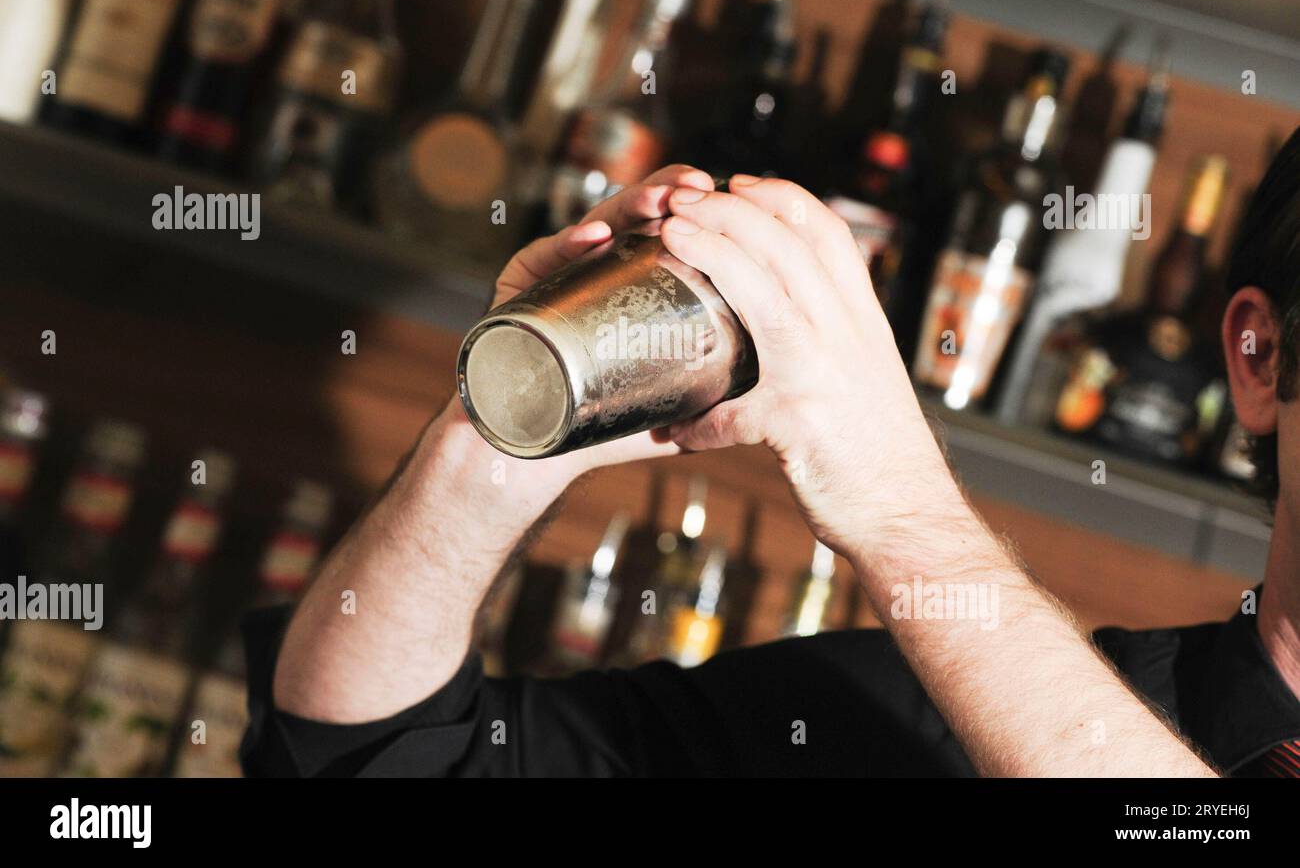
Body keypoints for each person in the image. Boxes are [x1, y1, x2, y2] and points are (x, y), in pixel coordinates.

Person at [242, 143, 1300, 777]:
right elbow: (364, 761)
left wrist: (904, 513)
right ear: (1257, 362)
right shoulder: (899, 721)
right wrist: (512, 425)